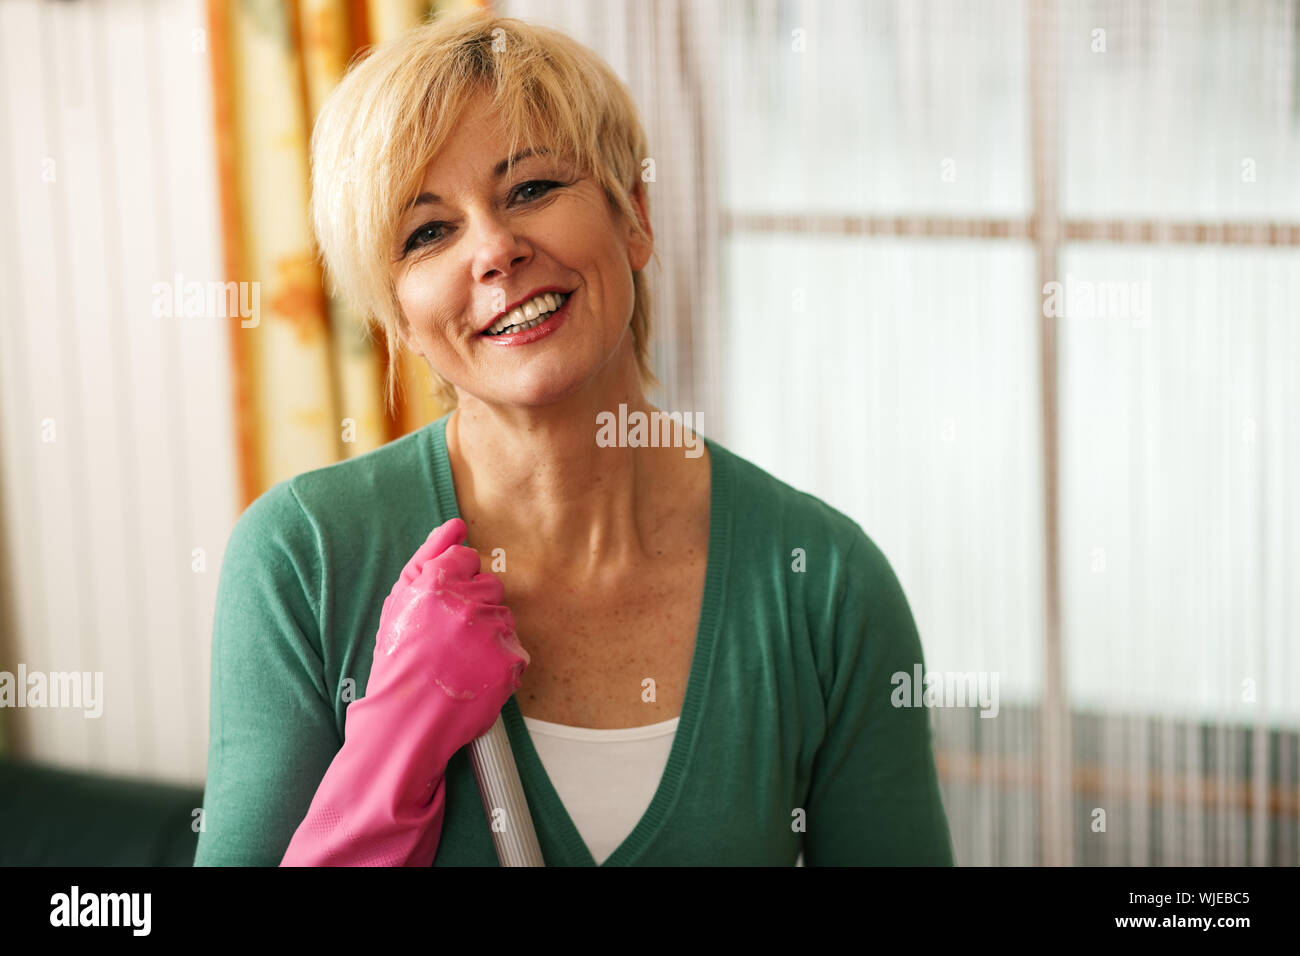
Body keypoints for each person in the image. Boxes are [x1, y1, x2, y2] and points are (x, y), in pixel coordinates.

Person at [194, 10, 954, 867]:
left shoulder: (827, 586)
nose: (495, 250)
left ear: (634, 216)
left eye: (531, 189)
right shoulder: (304, 560)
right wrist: (387, 752)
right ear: (397, 316)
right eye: (428, 232)